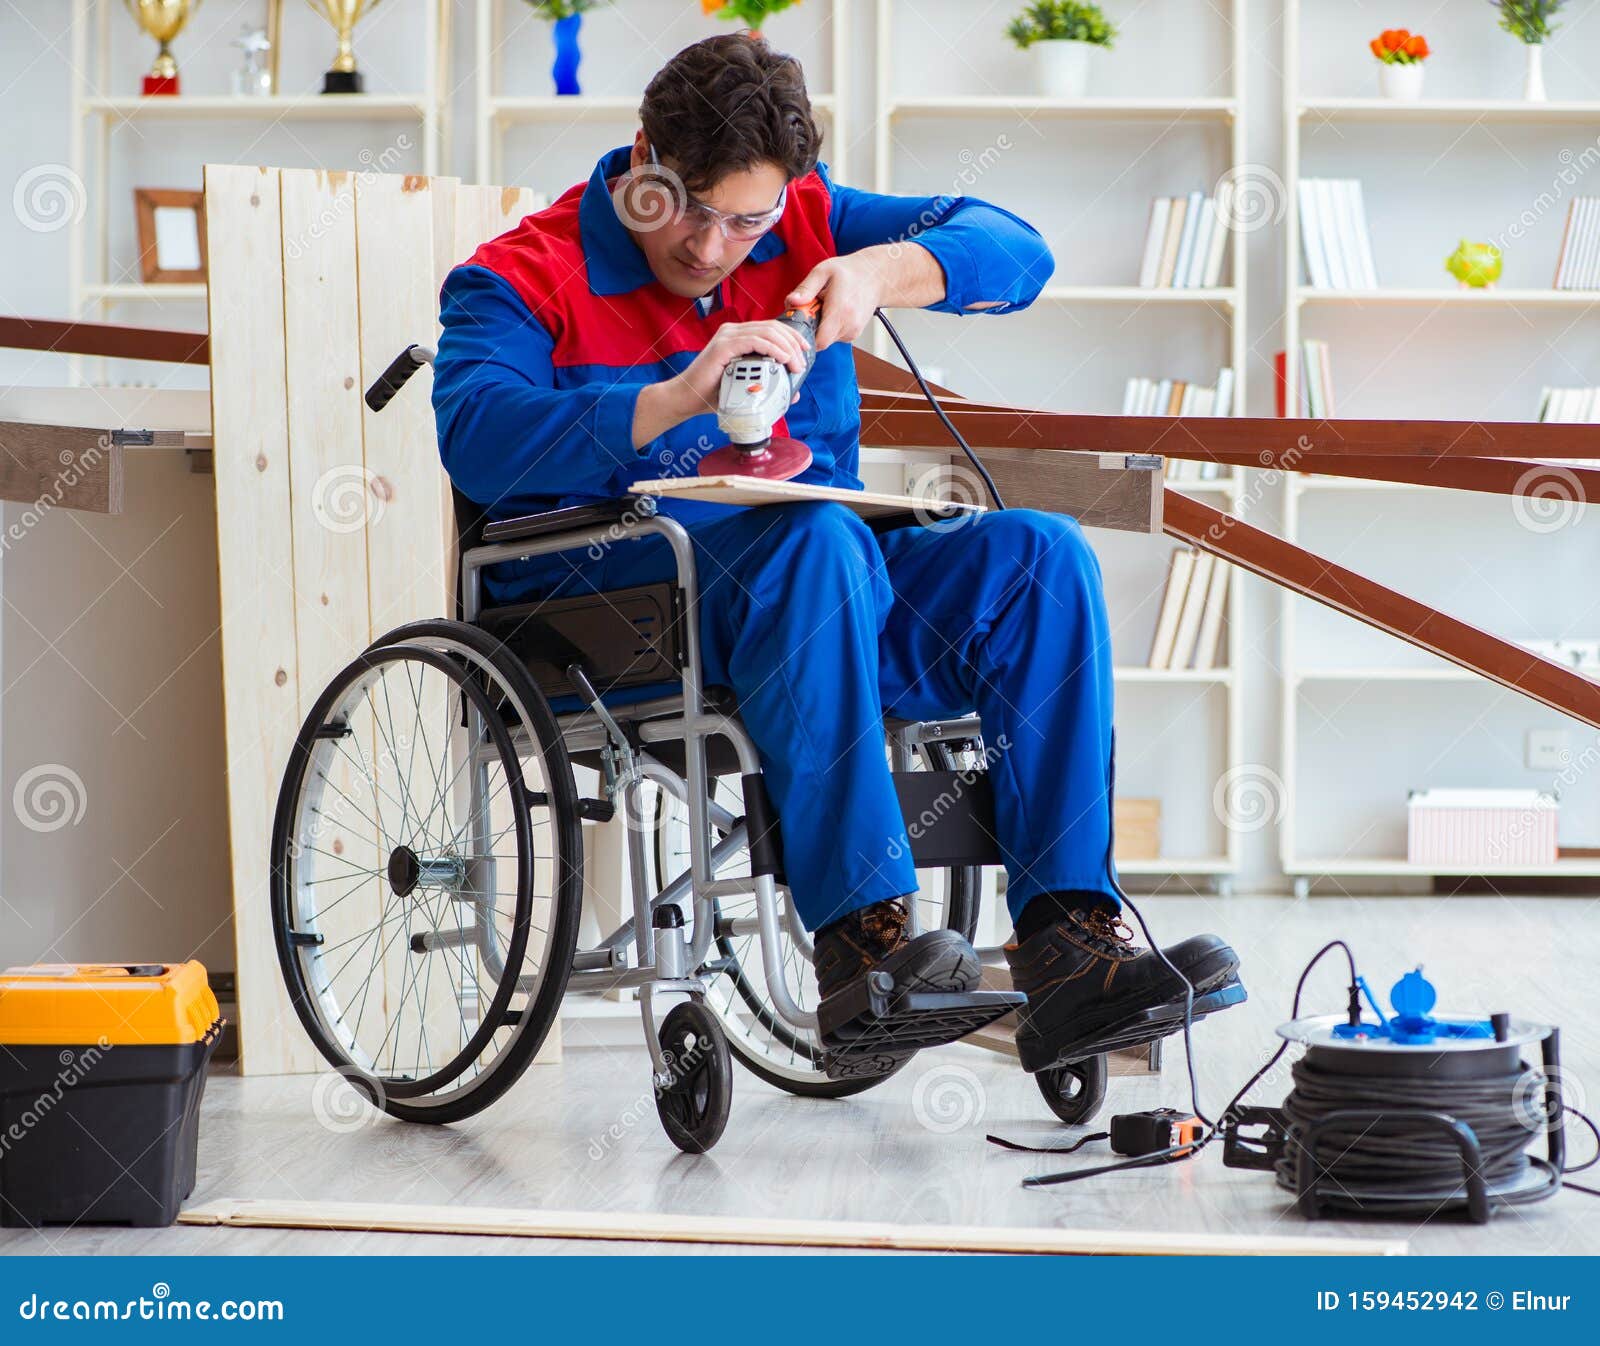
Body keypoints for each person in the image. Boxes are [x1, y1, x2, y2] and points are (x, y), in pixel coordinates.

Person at [432, 33, 1241, 1074]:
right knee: (816, 540)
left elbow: (1018, 250)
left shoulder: (807, 220)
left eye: (747, 221)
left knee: (1040, 554)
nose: (714, 248)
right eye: (686, 207)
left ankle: (1067, 942)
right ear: (641, 158)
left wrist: (878, 269)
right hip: (621, 603)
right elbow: (478, 433)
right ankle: (866, 948)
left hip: (824, 590)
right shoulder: (517, 272)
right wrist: (676, 394)